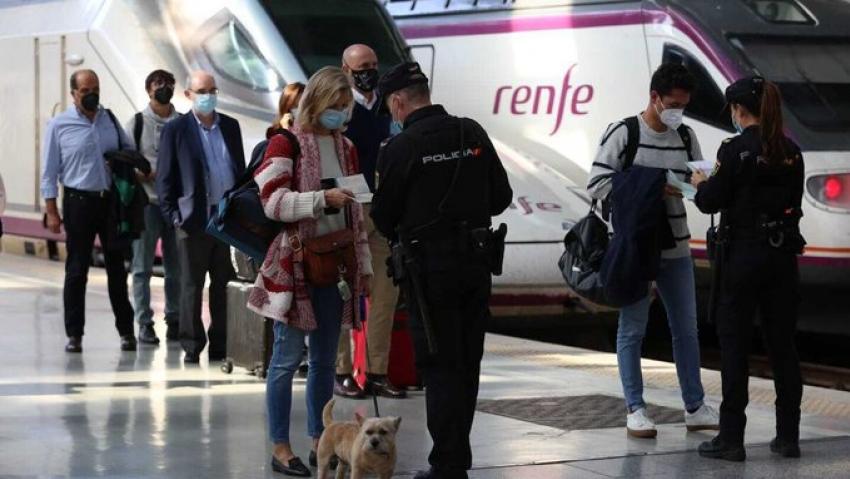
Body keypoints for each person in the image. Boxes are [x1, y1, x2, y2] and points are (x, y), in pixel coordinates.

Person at [371, 62, 513, 479]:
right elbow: (501, 196)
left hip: (428, 273)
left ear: (398, 102)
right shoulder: (472, 133)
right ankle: (457, 460)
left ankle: (447, 466)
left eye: (390, 108)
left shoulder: (399, 149)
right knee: (468, 363)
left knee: (438, 365)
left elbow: (383, 218)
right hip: (475, 266)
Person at [247, 66, 373, 477]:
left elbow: (355, 214)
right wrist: (320, 199)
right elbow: (273, 202)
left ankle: (320, 439)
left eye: (345, 106)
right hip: (298, 263)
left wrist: (365, 266)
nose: (341, 113)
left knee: (323, 361)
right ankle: (281, 446)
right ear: (316, 103)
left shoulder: (347, 146)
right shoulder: (285, 144)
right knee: (285, 360)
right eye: (334, 106)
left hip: (337, 263)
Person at [586, 63, 718, 437]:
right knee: (633, 328)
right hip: (635, 247)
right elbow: (596, 183)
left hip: (676, 245)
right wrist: (653, 187)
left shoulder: (686, 136)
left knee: (687, 329)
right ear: (655, 98)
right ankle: (635, 409)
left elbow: (699, 183)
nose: (678, 112)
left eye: (684, 106)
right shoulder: (624, 132)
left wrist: (700, 184)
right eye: (673, 103)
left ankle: (694, 406)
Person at [692, 77, 805, 462]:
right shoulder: (791, 151)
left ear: (739, 111)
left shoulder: (735, 149)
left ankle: (731, 439)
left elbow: (709, 202)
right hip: (781, 260)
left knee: (735, 347)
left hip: (741, 258)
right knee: (783, 348)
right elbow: (794, 202)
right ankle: (788, 437)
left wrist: (701, 182)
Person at [41, 69, 137, 354]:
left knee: (117, 268)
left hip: (109, 203)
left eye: (95, 88)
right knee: (77, 269)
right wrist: (51, 211)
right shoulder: (59, 125)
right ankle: (74, 334)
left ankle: (126, 332)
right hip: (77, 203)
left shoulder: (109, 119)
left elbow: (129, 150)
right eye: (85, 90)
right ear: (73, 94)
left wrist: (120, 161)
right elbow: (49, 173)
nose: (91, 94)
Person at [156, 70, 244, 363]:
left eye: (212, 91)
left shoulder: (230, 127)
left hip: (225, 219)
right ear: (189, 95)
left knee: (224, 283)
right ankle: (192, 344)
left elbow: (239, 171)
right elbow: (165, 178)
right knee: (191, 285)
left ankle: (221, 343)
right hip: (193, 220)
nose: (208, 97)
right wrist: (173, 217)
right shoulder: (176, 130)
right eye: (202, 91)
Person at [334, 43, 405, 400]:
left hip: (384, 208)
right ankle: (341, 370)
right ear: (346, 70)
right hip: (349, 207)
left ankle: (377, 371)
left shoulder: (389, 104)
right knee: (343, 293)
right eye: (363, 65)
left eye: (374, 64)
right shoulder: (338, 108)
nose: (370, 71)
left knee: (385, 295)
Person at [126, 69, 181, 345]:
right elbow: (123, 162)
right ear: (148, 89)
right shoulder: (137, 123)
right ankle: (144, 324)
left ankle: (174, 319)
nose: (164, 88)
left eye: (169, 83)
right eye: (159, 84)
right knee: (142, 267)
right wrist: (142, 174)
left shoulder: (183, 123)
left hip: (175, 206)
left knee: (176, 268)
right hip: (146, 204)